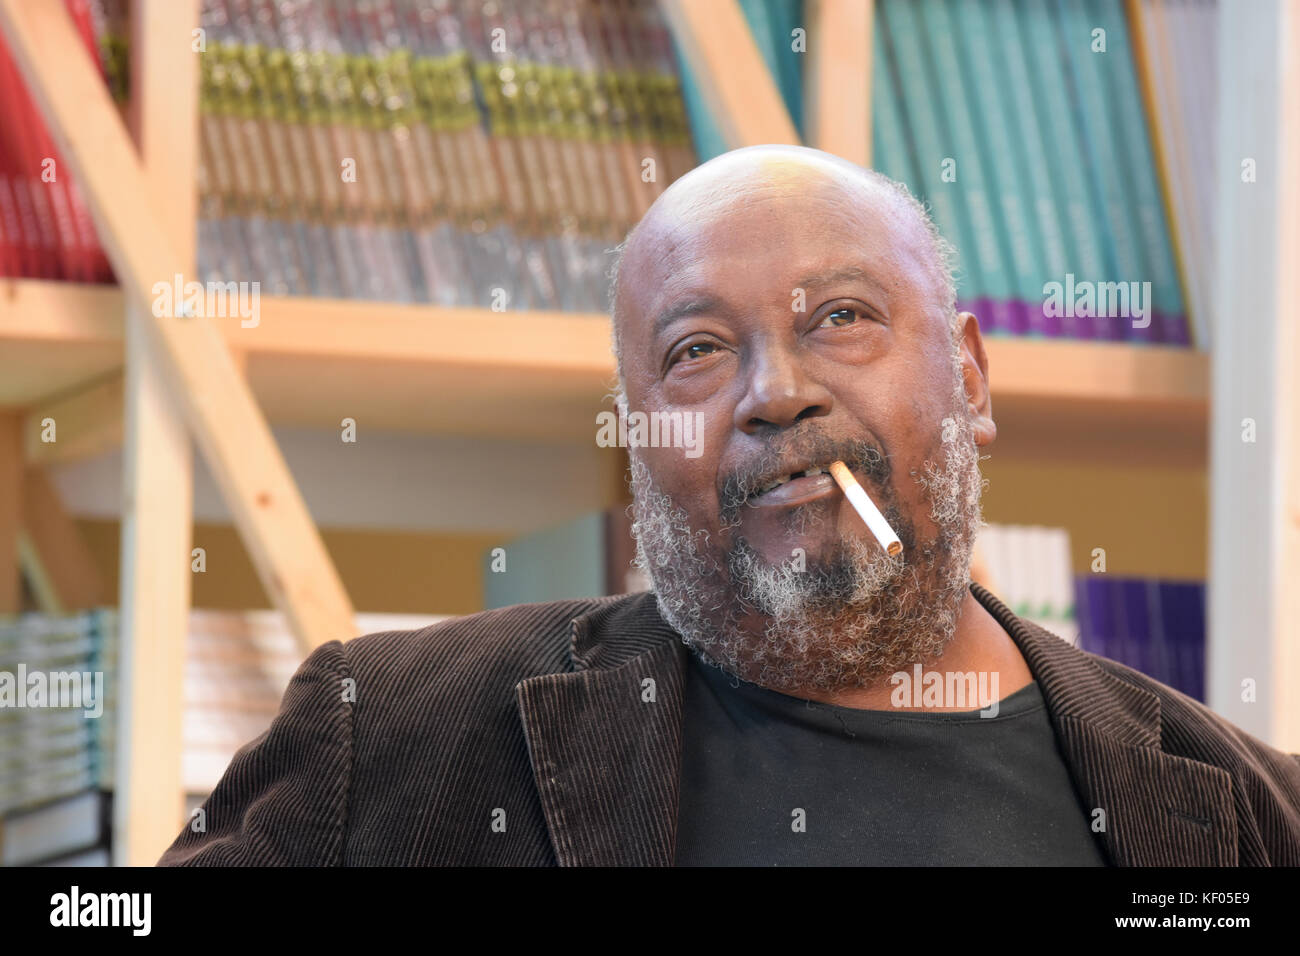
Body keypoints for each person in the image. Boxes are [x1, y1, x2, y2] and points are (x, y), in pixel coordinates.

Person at [158, 145, 1300, 866]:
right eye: (697, 349)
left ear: (971, 379)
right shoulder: (389, 738)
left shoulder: (1256, 818)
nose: (776, 393)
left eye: (841, 318)